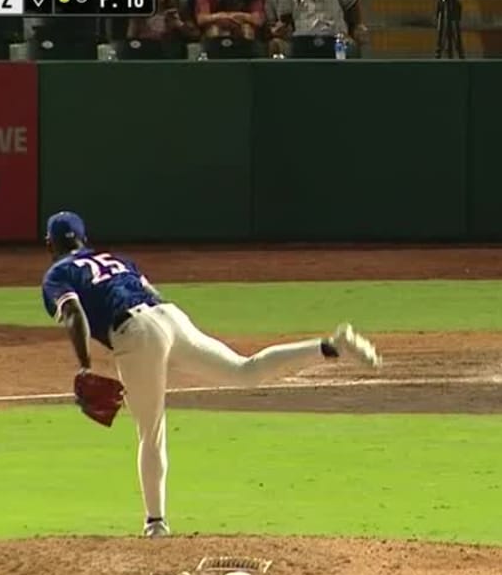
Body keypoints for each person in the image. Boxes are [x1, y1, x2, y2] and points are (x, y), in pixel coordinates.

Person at [39, 211, 381, 537]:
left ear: (49, 245)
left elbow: (73, 315)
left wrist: (85, 365)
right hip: (170, 317)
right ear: (85, 238)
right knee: (245, 370)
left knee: (151, 430)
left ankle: (155, 524)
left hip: (135, 332)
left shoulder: (58, 274)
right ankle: (329, 346)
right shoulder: (117, 259)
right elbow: (152, 296)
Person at [129, 0, 199, 42]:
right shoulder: (138, 13)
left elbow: (195, 35)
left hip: (170, 50)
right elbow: (130, 40)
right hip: (147, 49)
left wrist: (179, 24)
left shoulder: (178, 10)